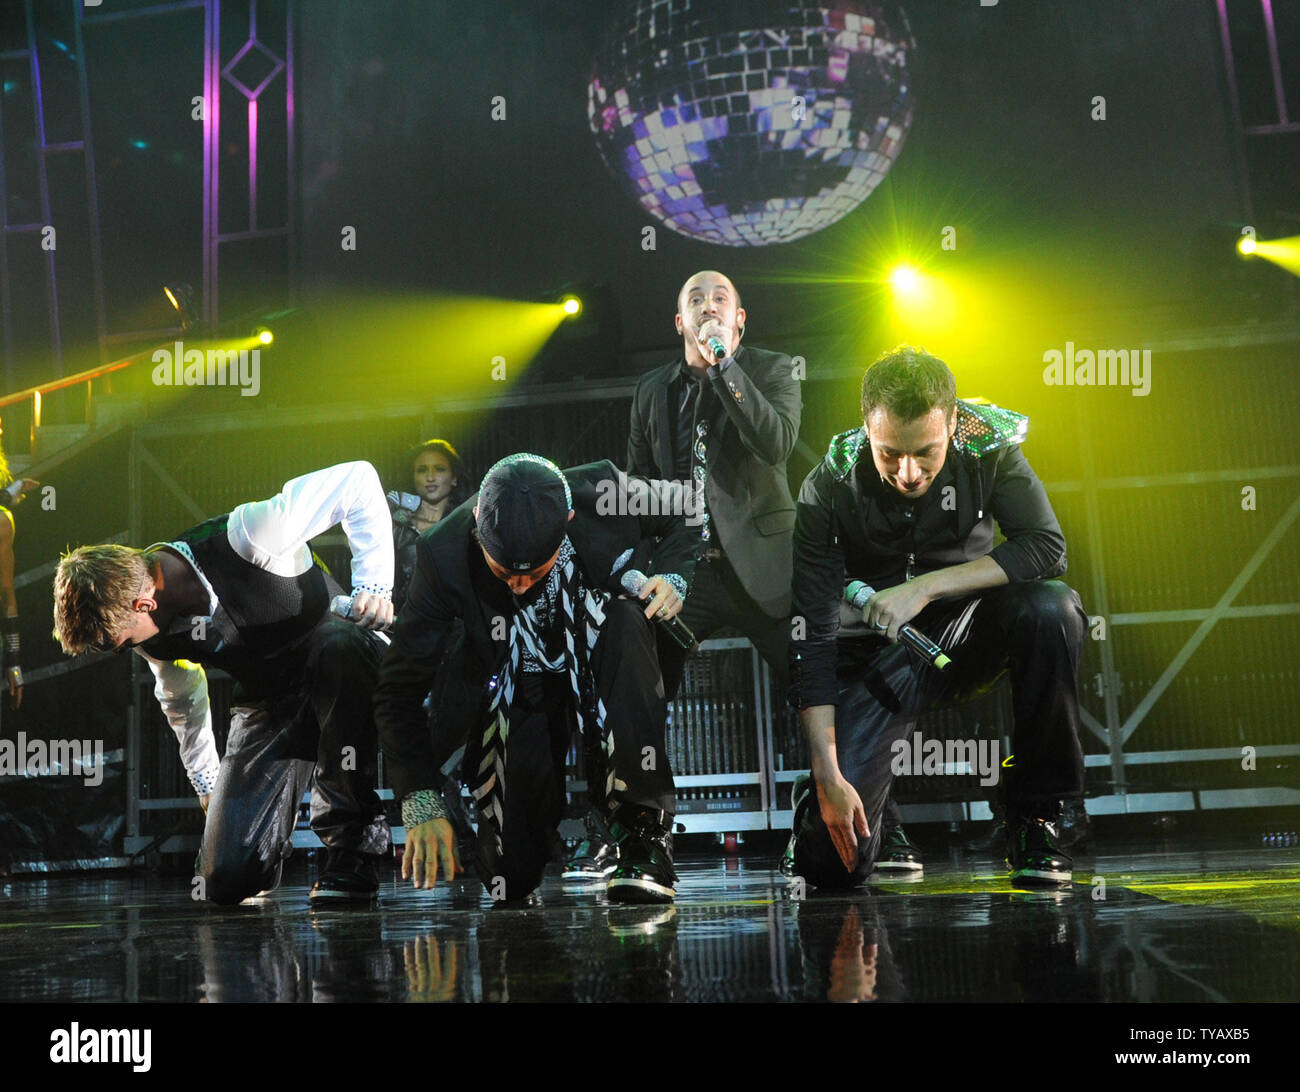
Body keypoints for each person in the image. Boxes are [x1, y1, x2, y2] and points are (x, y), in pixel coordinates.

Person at [786, 346, 1087, 890]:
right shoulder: (827, 484)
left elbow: (1047, 546)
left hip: (966, 638)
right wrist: (828, 773)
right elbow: (811, 631)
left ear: (951, 422)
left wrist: (922, 590)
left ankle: (1036, 815)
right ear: (867, 427)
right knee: (836, 867)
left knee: (1051, 607)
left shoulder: (987, 447)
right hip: (874, 660)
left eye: (925, 452)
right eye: (889, 454)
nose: (907, 472)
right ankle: (815, 798)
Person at [52, 461, 395, 904]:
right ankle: (257, 856)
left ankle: (352, 852)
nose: (124, 651)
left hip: (345, 667)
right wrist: (207, 783)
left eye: (118, 643)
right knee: (224, 880)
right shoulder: (150, 635)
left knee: (338, 644)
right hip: (272, 702)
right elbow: (181, 699)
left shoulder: (252, 533)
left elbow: (359, 480)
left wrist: (375, 587)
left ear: (142, 602)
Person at [374, 454, 697, 906]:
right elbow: (398, 689)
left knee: (625, 617)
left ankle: (645, 834)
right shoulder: (441, 554)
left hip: (599, 659)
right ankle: (517, 844)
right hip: (518, 684)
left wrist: (674, 575)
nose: (520, 586)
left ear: (567, 522)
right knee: (510, 875)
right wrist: (420, 800)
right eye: (504, 572)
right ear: (475, 527)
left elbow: (687, 505)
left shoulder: (604, 493)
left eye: (534, 571)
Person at [389, 439, 469, 611]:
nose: (430, 477)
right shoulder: (398, 525)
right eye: (422, 470)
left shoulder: (468, 523)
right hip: (404, 620)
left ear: (454, 478)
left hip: (457, 622)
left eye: (439, 469)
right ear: (413, 477)